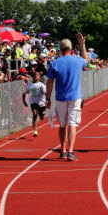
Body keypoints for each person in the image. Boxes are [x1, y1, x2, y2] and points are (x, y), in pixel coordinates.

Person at [45, 33, 89, 161]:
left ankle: (63, 150)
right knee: (73, 124)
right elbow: (86, 60)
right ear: (71, 49)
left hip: (60, 97)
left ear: (60, 49)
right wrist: (82, 45)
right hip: (75, 96)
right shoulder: (77, 60)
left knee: (63, 125)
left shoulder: (55, 63)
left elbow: (50, 82)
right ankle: (71, 151)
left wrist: (48, 98)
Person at [23, 72, 47, 137]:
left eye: (37, 75)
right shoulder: (30, 85)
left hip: (41, 103)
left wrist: (47, 100)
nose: (35, 76)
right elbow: (24, 92)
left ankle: (42, 123)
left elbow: (46, 92)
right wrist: (24, 102)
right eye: (34, 75)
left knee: (42, 117)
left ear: (40, 77)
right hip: (33, 102)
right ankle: (35, 130)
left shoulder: (41, 85)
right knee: (35, 114)